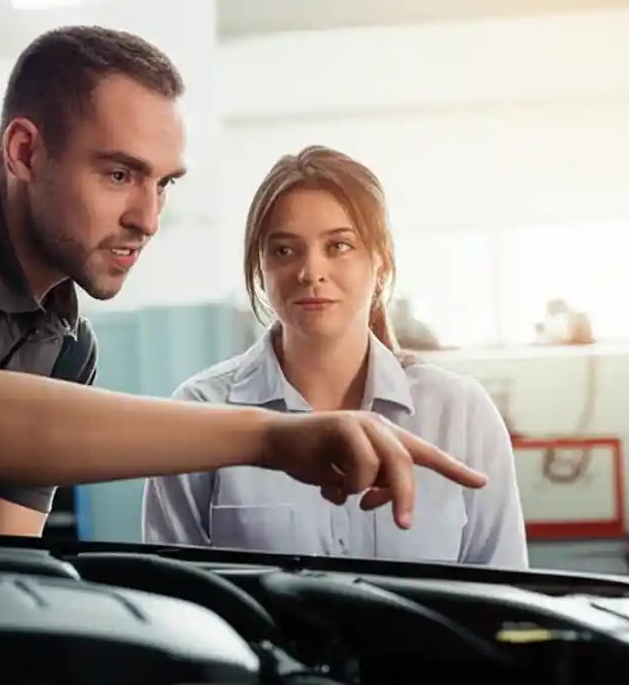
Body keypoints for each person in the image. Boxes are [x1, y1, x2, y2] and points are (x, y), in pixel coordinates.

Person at [0, 26, 489, 539]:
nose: (148, 217)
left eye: (164, 183)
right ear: (25, 151)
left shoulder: (67, 348)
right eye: (119, 174)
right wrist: (274, 436)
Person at [142, 145, 528, 567]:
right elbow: (178, 600)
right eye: (284, 250)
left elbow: (503, 591)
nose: (311, 272)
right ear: (260, 268)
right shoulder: (198, 413)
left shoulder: (461, 414)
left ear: (380, 262)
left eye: (339, 246)